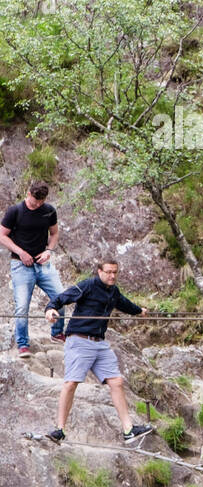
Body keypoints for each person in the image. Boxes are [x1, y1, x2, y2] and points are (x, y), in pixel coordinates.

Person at [42, 259, 152, 443]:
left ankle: (129, 430)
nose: (112, 276)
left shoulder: (113, 291)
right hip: (79, 340)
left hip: (100, 344)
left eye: (115, 272)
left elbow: (124, 304)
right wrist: (51, 308)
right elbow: (64, 297)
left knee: (116, 381)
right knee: (71, 383)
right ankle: (59, 430)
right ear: (99, 271)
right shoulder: (88, 285)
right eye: (108, 272)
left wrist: (139, 311)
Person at [2, 181, 66, 357]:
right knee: (22, 306)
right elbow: (2, 235)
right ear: (28, 194)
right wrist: (20, 252)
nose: (37, 205)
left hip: (42, 263)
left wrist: (49, 250)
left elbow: (54, 233)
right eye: (34, 201)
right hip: (21, 264)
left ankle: (57, 333)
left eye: (41, 201)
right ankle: (23, 344)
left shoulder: (49, 210)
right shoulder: (15, 211)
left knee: (61, 296)